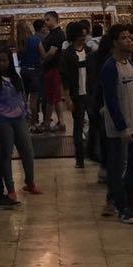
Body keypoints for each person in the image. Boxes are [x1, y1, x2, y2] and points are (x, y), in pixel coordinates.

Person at [100, 24, 133, 223]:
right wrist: (122, 127)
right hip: (119, 128)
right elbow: (110, 100)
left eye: (130, 38)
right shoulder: (110, 67)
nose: (129, 41)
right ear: (115, 42)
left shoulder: (130, 64)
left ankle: (129, 200)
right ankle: (121, 208)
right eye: (124, 38)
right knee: (118, 167)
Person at [0, 47, 40, 201]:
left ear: (10, 61)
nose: (2, 64)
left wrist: (26, 111)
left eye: (5, 60)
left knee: (28, 151)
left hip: (19, 118)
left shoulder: (16, 77)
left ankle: (30, 182)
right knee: (6, 154)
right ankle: (10, 188)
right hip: (4, 119)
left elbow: (22, 95)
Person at [61, 21, 90, 168]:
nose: (84, 36)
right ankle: (80, 158)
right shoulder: (68, 54)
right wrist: (67, 98)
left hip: (90, 93)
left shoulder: (89, 51)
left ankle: (93, 152)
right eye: (81, 34)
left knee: (94, 123)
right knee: (78, 126)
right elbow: (65, 79)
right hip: (76, 94)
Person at [41, 10, 66, 132]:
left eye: (48, 20)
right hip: (51, 67)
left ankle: (47, 122)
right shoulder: (52, 33)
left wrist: (43, 57)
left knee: (51, 96)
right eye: (45, 20)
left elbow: (51, 53)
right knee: (55, 96)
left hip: (54, 67)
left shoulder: (58, 34)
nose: (45, 22)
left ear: (55, 19)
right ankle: (61, 121)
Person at [21, 18, 47, 128]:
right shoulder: (35, 40)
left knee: (23, 98)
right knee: (34, 100)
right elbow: (43, 56)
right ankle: (33, 122)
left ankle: (23, 121)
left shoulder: (20, 42)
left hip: (23, 71)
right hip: (35, 72)